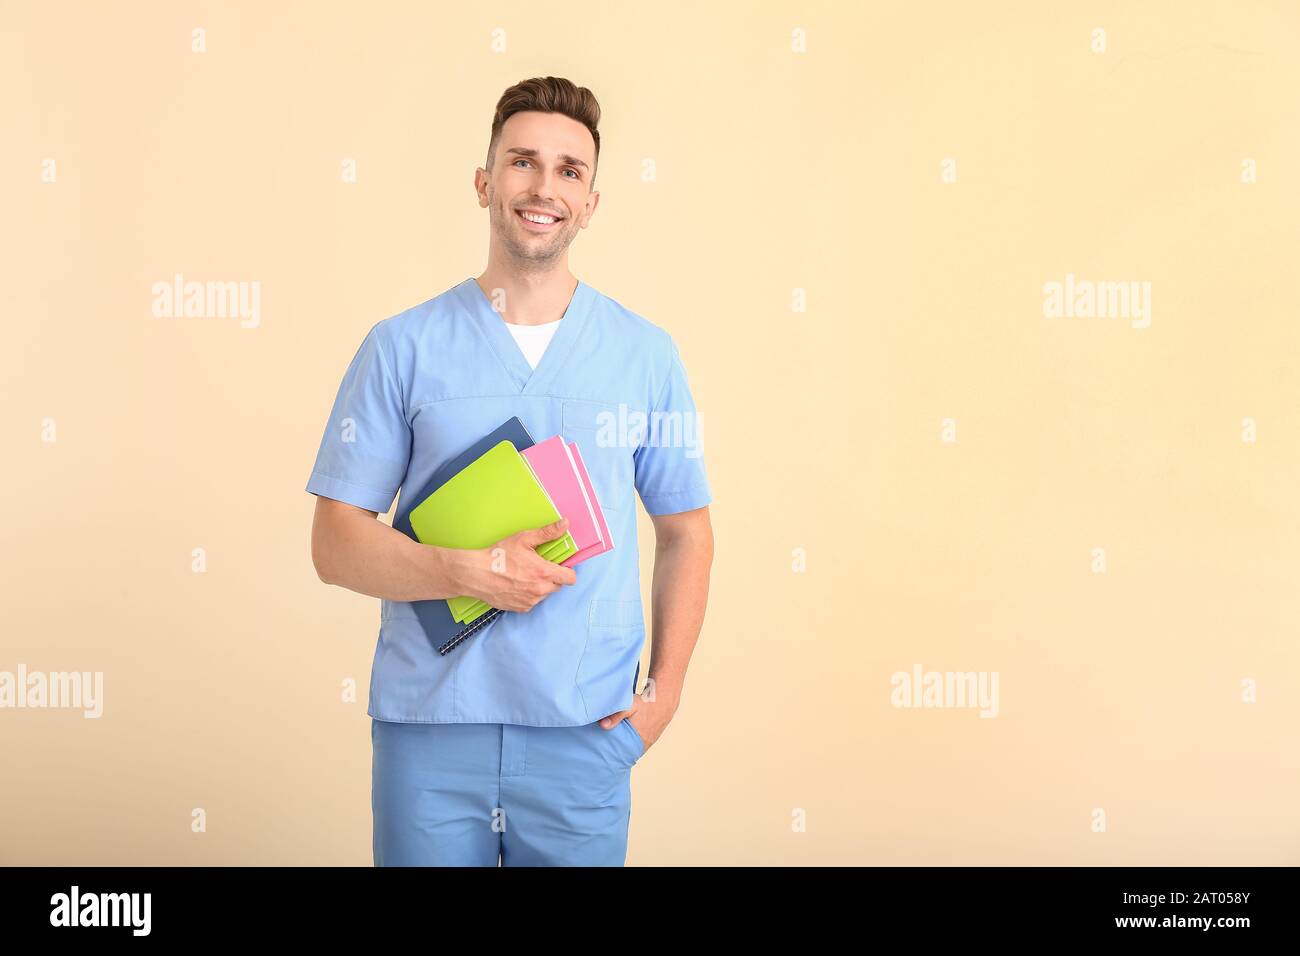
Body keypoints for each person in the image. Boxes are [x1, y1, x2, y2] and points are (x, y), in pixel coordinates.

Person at [306, 76, 714, 866]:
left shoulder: (644, 356)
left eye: (569, 170)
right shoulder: (403, 347)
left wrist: (658, 703)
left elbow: (686, 531)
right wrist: (467, 571)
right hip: (430, 737)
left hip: (583, 738)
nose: (543, 187)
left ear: (591, 202)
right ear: (485, 183)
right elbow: (333, 544)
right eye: (522, 162)